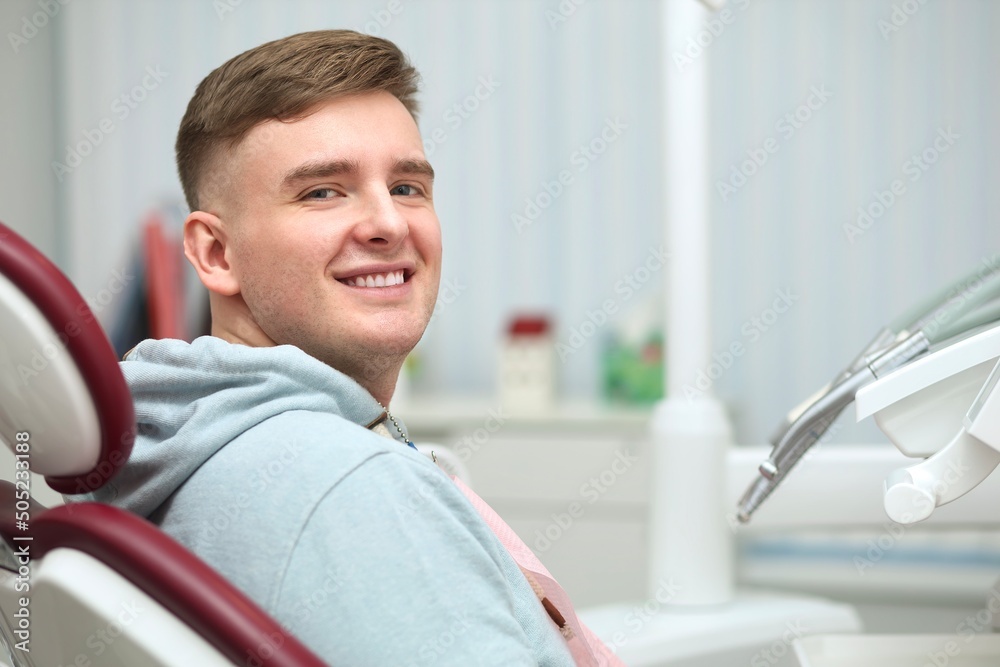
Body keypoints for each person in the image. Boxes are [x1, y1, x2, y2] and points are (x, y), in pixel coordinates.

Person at [71, 30, 619, 666]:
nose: (389, 223)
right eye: (322, 191)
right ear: (217, 254)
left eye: (408, 187)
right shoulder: (348, 486)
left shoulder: (193, 438)